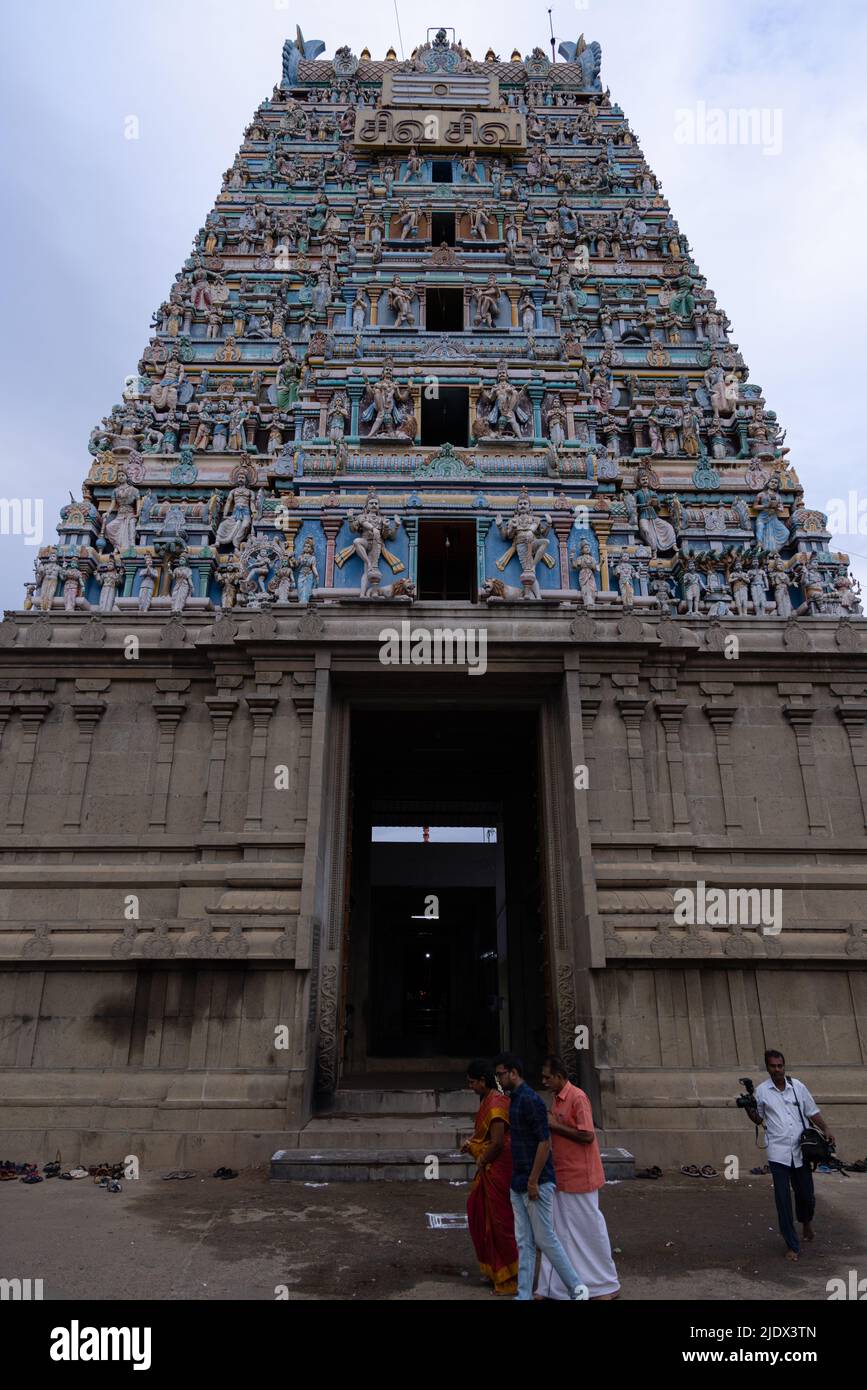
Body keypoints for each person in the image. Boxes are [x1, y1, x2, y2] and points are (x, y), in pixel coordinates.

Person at [494, 1054, 588, 1301]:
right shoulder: (515, 1100)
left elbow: (544, 1143)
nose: (499, 1079)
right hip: (520, 1180)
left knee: (545, 1239)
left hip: (535, 1180)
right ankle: (523, 1294)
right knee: (524, 1241)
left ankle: (576, 1287)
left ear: (513, 1073)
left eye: (501, 1074)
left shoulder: (530, 1100)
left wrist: (533, 1180)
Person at [537, 1057, 620, 1300]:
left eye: (547, 1077)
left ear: (560, 1076)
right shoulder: (557, 1099)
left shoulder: (578, 1098)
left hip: (580, 1175)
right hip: (562, 1173)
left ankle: (606, 1284)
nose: (544, 1082)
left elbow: (587, 1136)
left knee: (590, 1229)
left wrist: (554, 1125)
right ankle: (555, 1286)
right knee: (559, 1231)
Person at [743, 1048, 835, 1262]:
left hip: (801, 1151)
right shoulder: (762, 1091)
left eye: (780, 1066)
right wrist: (748, 1109)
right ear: (767, 1068)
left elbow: (812, 1111)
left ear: (784, 1066)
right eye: (773, 1066)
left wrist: (827, 1129)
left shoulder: (797, 1087)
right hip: (778, 1153)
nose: (777, 1070)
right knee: (783, 1200)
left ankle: (806, 1223)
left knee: (806, 1196)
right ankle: (792, 1244)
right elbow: (759, 1119)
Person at [461, 1059, 518, 1296]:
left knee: (499, 1220)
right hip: (491, 1166)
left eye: (473, 1083)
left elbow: (496, 1143)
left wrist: (481, 1157)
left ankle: (509, 1277)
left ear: (483, 1081)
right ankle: (495, 1270)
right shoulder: (488, 1099)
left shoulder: (496, 1103)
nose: (471, 1087)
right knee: (479, 1211)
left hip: (499, 1166)